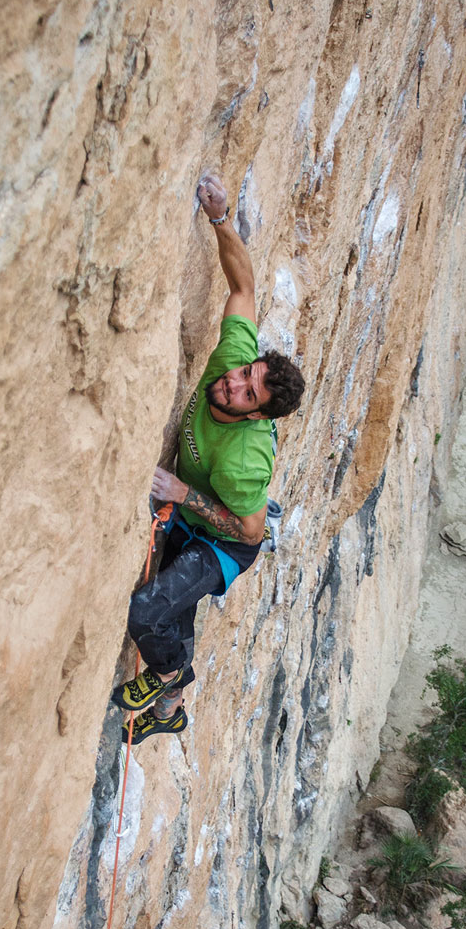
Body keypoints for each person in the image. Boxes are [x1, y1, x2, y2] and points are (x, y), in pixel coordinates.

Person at [112, 173, 306, 744]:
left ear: (256, 416)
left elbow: (248, 531)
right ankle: (169, 712)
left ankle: (170, 675)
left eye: (249, 394)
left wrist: (183, 496)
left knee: (148, 613)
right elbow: (243, 289)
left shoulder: (243, 461)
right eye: (245, 376)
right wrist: (222, 218)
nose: (233, 386)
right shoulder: (235, 358)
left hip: (225, 540)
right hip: (198, 512)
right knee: (176, 613)